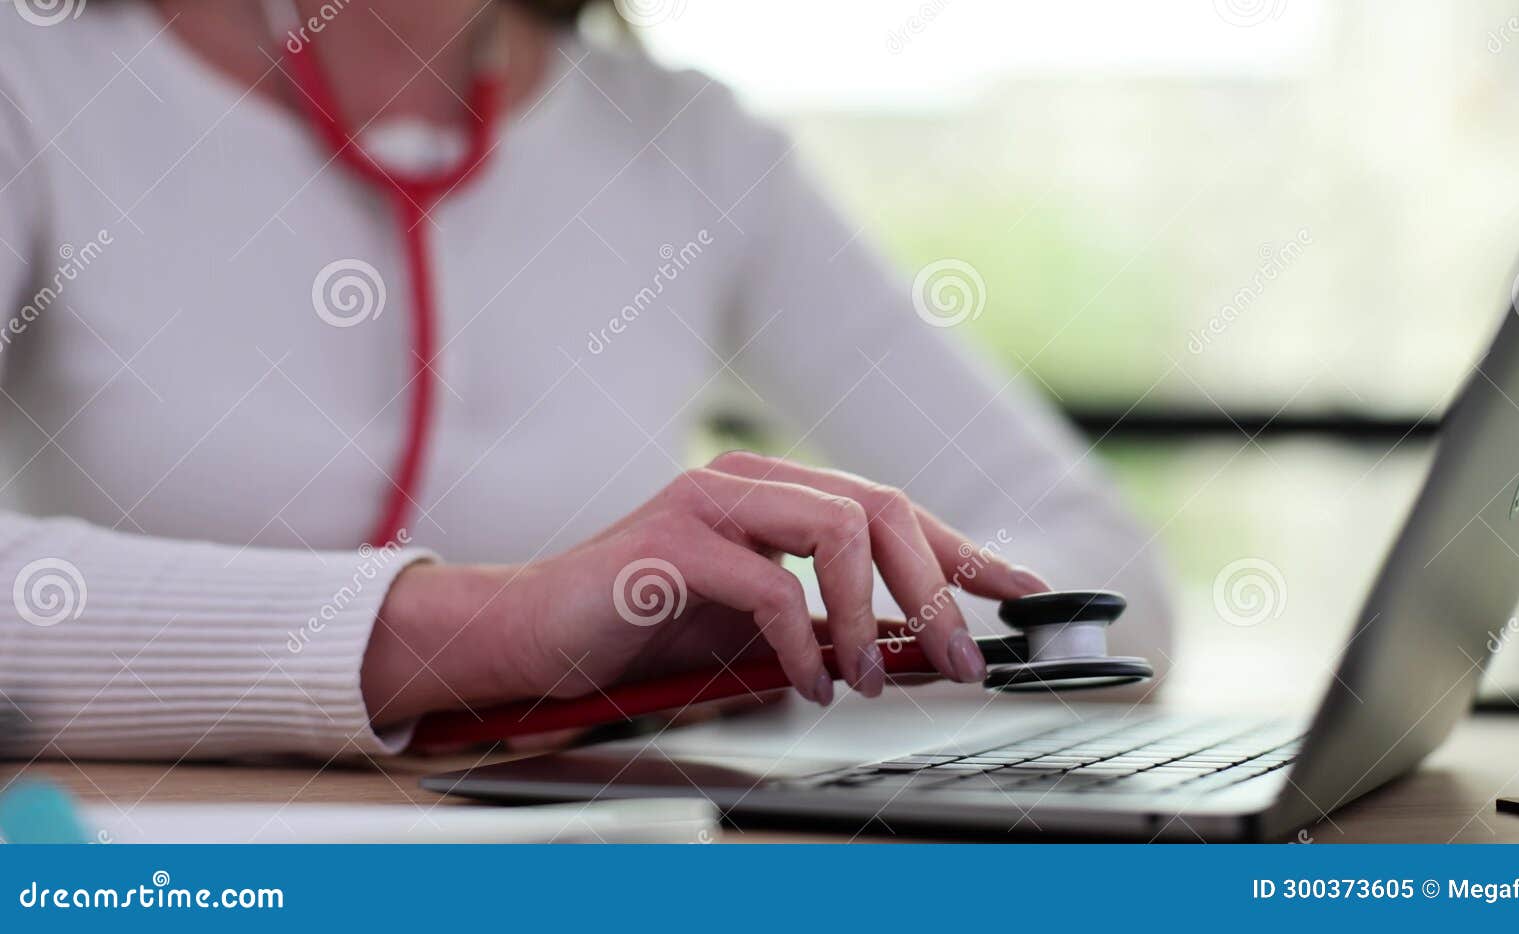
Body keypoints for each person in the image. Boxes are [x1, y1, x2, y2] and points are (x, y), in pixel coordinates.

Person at [0, 0, 1171, 761]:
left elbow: (1110, 586)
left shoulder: (686, 144)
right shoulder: (34, 74)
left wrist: (782, 637)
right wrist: (508, 627)